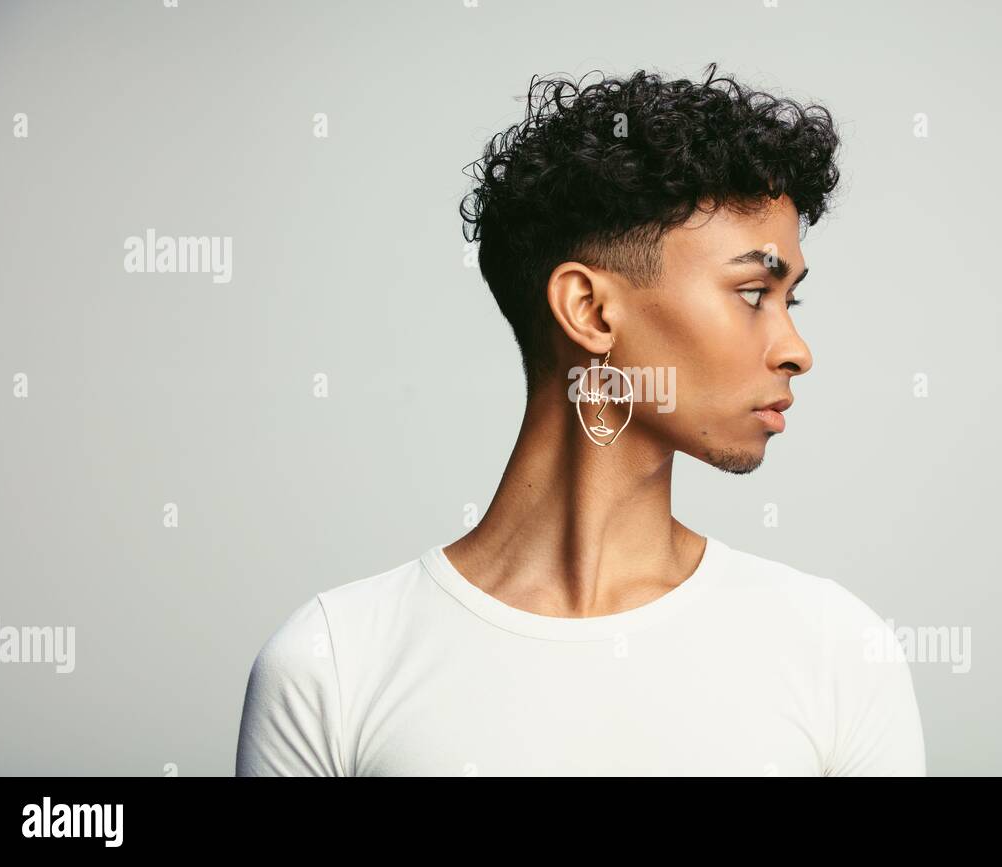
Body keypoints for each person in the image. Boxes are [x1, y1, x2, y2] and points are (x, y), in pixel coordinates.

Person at [235, 63, 926, 776]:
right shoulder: (333, 665)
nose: (796, 351)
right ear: (590, 311)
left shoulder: (834, 651)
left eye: (793, 301)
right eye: (754, 293)